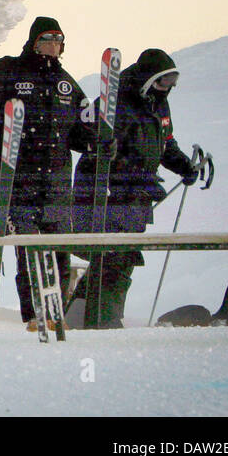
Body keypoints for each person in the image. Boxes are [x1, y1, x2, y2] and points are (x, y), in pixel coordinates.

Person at [0, 16, 96, 331]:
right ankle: (35, 317)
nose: (53, 46)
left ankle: (55, 315)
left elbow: (81, 131)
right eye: (47, 39)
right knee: (30, 250)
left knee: (59, 251)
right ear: (34, 41)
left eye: (59, 41)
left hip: (58, 184)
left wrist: (98, 140)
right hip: (17, 183)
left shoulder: (67, 85)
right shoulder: (7, 71)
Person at [69, 48, 201, 327]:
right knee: (115, 256)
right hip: (105, 193)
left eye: (172, 82)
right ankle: (104, 321)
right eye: (164, 81)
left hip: (136, 197)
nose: (168, 88)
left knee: (116, 258)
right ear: (147, 79)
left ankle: (81, 314)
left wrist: (184, 166)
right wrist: (100, 144)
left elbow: (166, 144)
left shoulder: (158, 105)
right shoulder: (114, 102)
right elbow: (81, 135)